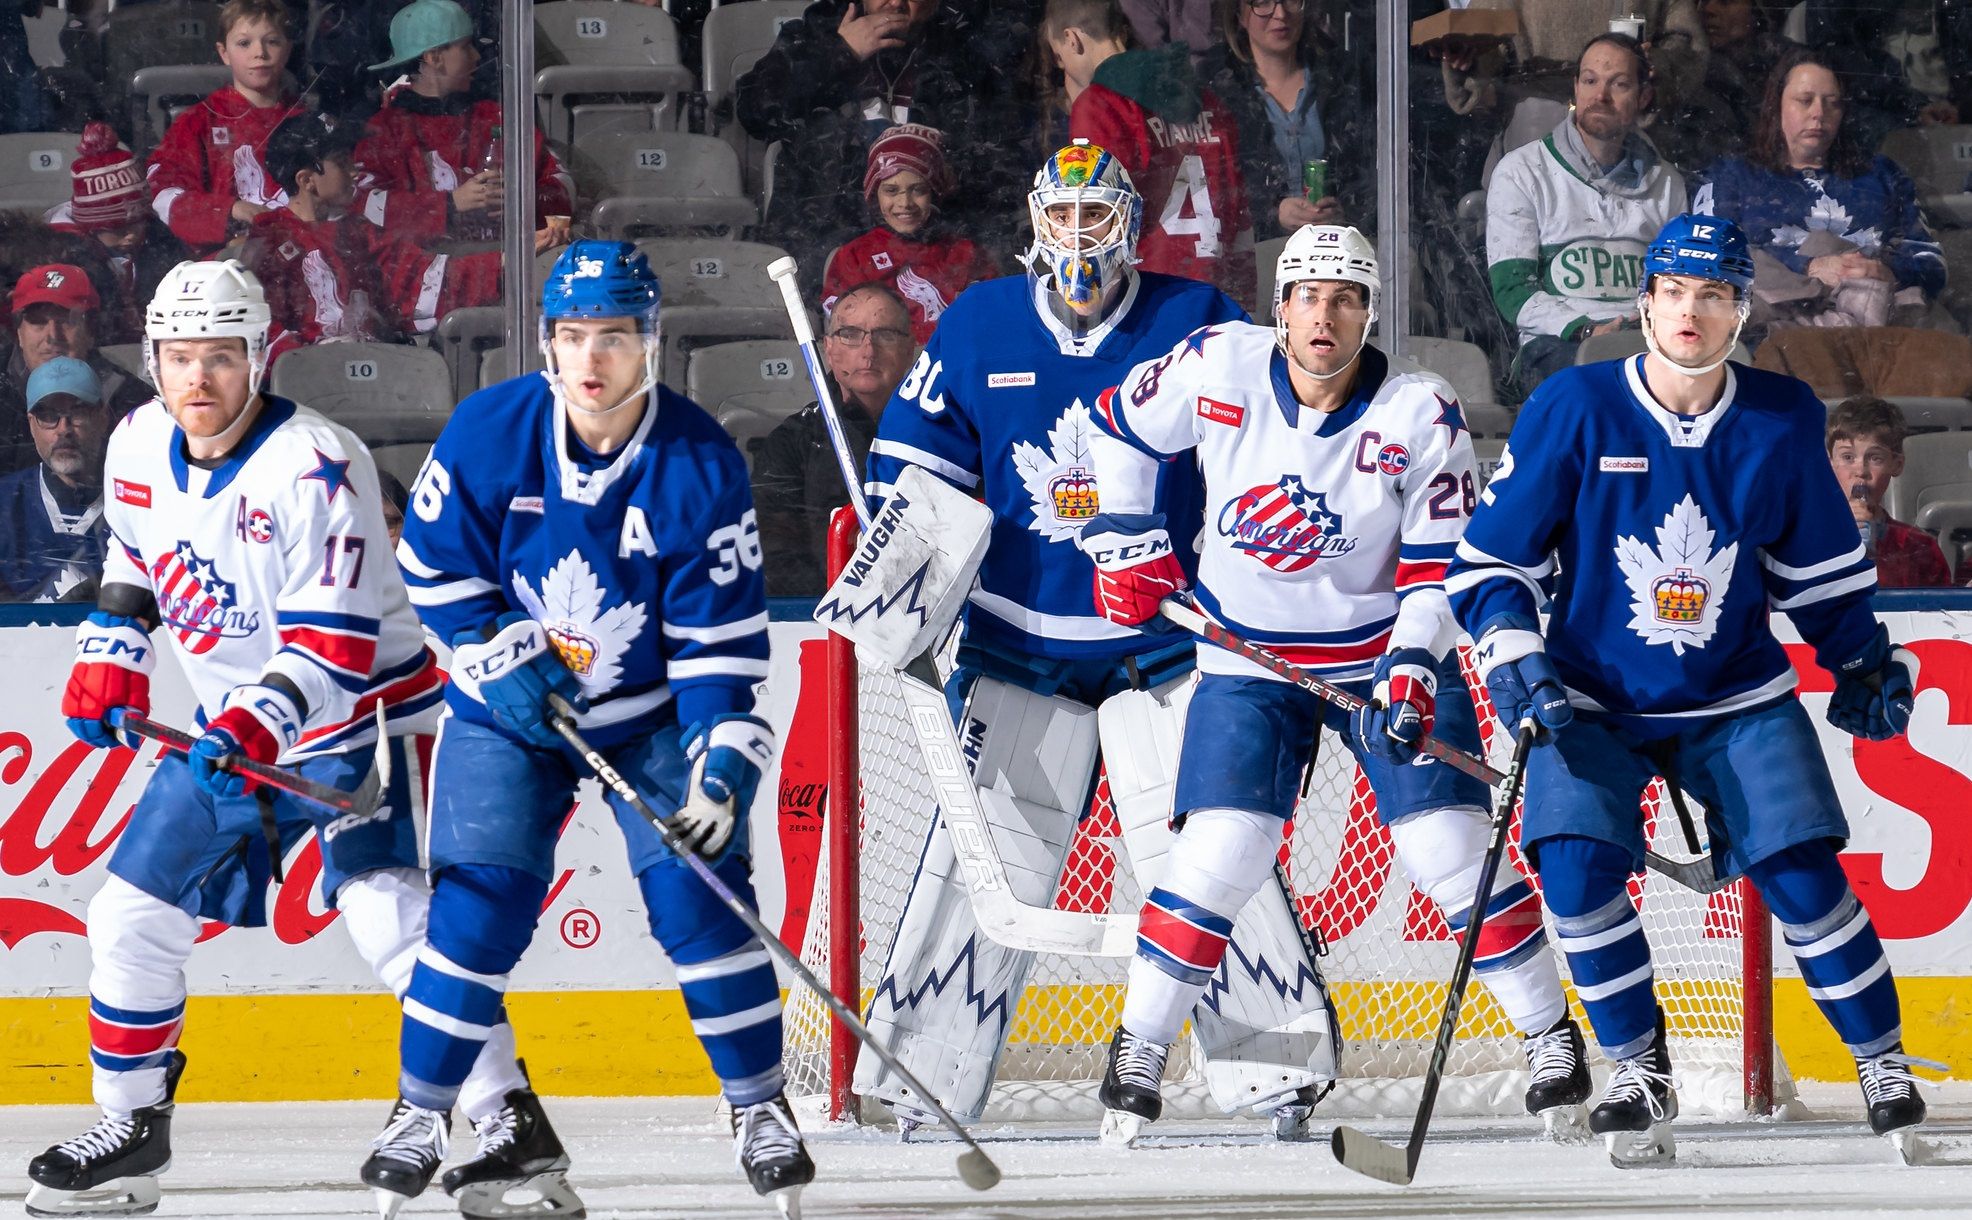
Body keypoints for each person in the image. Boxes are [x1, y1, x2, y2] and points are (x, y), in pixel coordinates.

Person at [23, 260, 572, 1218]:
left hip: (363, 721)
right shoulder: (138, 441)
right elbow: (133, 557)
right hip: (235, 726)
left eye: (222, 358)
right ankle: (131, 1127)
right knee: (128, 919)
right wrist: (112, 646)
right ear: (153, 359)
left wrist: (252, 720)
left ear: (262, 356)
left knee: (391, 923)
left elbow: (336, 640)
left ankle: (511, 1127)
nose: (199, 380)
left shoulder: (317, 463)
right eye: (181, 357)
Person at [858, 143, 1339, 1145]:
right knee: (979, 859)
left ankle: (1272, 1066)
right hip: (1018, 648)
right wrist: (895, 562)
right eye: (1062, 216)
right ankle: (921, 1073)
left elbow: (1273, 447)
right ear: (1036, 223)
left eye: (1098, 215)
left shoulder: (1197, 322)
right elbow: (909, 475)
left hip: (1164, 648)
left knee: (1211, 847)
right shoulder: (980, 320)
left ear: (1129, 221)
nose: (1079, 236)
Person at [1078, 223, 1587, 1143]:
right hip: (1243, 658)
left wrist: (1411, 665)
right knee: (1222, 853)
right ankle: (1139, 1047)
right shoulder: (1215, 364)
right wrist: (1126, 532)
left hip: (1381, 656)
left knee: (1448, 851)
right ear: (1279, 307)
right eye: (1308, 295)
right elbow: (1115, 422)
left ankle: (1551, 1038)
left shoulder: (1418, 412)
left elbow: (1440, 566)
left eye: (1347, 297)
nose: (1325, 314)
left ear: (1371, 311)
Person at [1445, 214, 1933, 1166]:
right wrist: (1517, 659)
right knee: (1579, 875)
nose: (1690, 313)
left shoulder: (1782, 416)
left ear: (1741, 312)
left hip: (1735, 695)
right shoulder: (1572, 406)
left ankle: (1881, 1062)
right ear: (1645, 302)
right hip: (1590, 695)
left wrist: (1862, 657)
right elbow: (1487, 567)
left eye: (1712, 296)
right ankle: (1638, 1068)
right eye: (1674, 292)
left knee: (1802, 877)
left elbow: (1819, 572)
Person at [375, 240, 811, 1218]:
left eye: (613, 335)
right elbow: (434, 573)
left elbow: (716, 656)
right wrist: (495, 658)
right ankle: (419, 1109)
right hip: (507, 719)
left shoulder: (699, 462)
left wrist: (715, 771)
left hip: (648, 717)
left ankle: (758, 1105)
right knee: (476, 908)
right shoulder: (492, 428)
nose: (592, 358)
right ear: (547, 343)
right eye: (573, 335)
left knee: (704, 902)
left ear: (648, 342)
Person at [734, 0, 1030, 284]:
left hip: (938, 244)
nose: (895, 4)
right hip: (827, 234)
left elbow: (1000, 157)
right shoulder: (817, 35)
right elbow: (755, 113)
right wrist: (840, 52)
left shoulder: (967, 50)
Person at [1487, 32, 1687, 392]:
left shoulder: (1667, 182)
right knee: (1602, 381)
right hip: (1557, 345)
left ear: (1643, 97)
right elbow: (1512, 289)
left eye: (1619, 84)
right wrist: (1587, 330)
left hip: (1646, 344)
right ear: (1575, 88)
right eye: (1590, 81)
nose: (1600, 96)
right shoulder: (1521, 172)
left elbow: (1678, 287)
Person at [1693, 48, 1948, 326]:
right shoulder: (1733, 176)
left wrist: (1888, 271)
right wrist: (1807, 265)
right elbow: (1706, 254)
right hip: (1776, 329)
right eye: (1804, 101)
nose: (1819, 113)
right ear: (1775, 105)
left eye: (1833, 103)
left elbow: (1930, 259)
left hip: (1877, 328)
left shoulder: (1881, 174)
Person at [246, 113, 502, 362]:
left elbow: (423, 277)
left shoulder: (359, 232)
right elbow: (258, 330)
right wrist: (310, 360)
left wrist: (506, 262)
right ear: (306, 180)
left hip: (375, 369)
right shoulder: (268, 241)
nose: (354, 172)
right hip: (308, 383)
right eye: (342, 162)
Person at [1052, 0, 1257, 306]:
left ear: (1072, 40)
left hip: (1147, 304)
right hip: (1217, 300)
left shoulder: (1098, 107)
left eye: (1057, 55)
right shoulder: (1211, 103)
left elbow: (1093, 224)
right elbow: (1239, 215)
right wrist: (1245, 306)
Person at [353, 0, 573, 251]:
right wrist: (449, 204)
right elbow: (362, 205)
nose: (477, 56)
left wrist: (521, 201)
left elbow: (560, 180)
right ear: (434, 57)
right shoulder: (383, 131)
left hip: (507, 269)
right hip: (430, 278)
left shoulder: (497, 115)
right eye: (466, 46)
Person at [754, 283, 918, 596]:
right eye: (851, 335)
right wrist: (846, 603)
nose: (869, 351)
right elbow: (775, 553)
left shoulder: (945, 437)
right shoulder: (792, 443)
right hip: (819, 620)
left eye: (885, 334)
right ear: (828, 348)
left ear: (909, 348)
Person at [145, 0, 308, 257]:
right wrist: (230, 209)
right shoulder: (197, 123)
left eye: (272, 41)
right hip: (228, 266)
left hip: (304, 252)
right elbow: (163, 194)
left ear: (288, 49)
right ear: (223, 52)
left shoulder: (310, 120)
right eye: (244, 43)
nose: (260, 53)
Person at [1196, 0, 1368, 243]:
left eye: (1290, 0)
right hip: (1256, 255)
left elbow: (1371, 174)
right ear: (1240, 14)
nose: (1281, 13)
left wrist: (1345, 212)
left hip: (1338, 249)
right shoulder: (1215, 90)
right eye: (1263, 2)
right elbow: (1209, 191)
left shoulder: (1346, 79)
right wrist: (1271, 214)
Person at [821, 123, 997, 344]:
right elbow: (849, 334)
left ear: (934, 191)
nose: (905, 203)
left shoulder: (966, 253)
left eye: (918, 190)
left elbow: (990, 322)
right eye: (891, 190)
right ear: (875, 193)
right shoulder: (853, 257)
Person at [46, 123, 192, 347]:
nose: (131, 236)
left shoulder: (164, 244)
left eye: (138, 223)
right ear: (91, 226)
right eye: (118, 228)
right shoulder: (63, 257)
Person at [0, 264, 154, 474]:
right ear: (18, 332)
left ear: (91, 330)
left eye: (66, 321)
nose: (52, 336)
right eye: (38, 322)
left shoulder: (132, 402)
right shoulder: (3, 391)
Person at [0, 357, 111, 602]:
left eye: (78, 412)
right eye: (48, 416)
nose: (63, 429)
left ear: (102, 417)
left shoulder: (135, 501)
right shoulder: (5, 503)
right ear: (31, 424)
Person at [1826, 395, 1950, 589]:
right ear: (1829, 463)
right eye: (1847, 457)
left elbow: (1940, 612)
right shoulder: (1808, 540)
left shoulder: (1920, 548)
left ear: (1897, 464)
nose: (1860, 471)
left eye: (1875, 458)